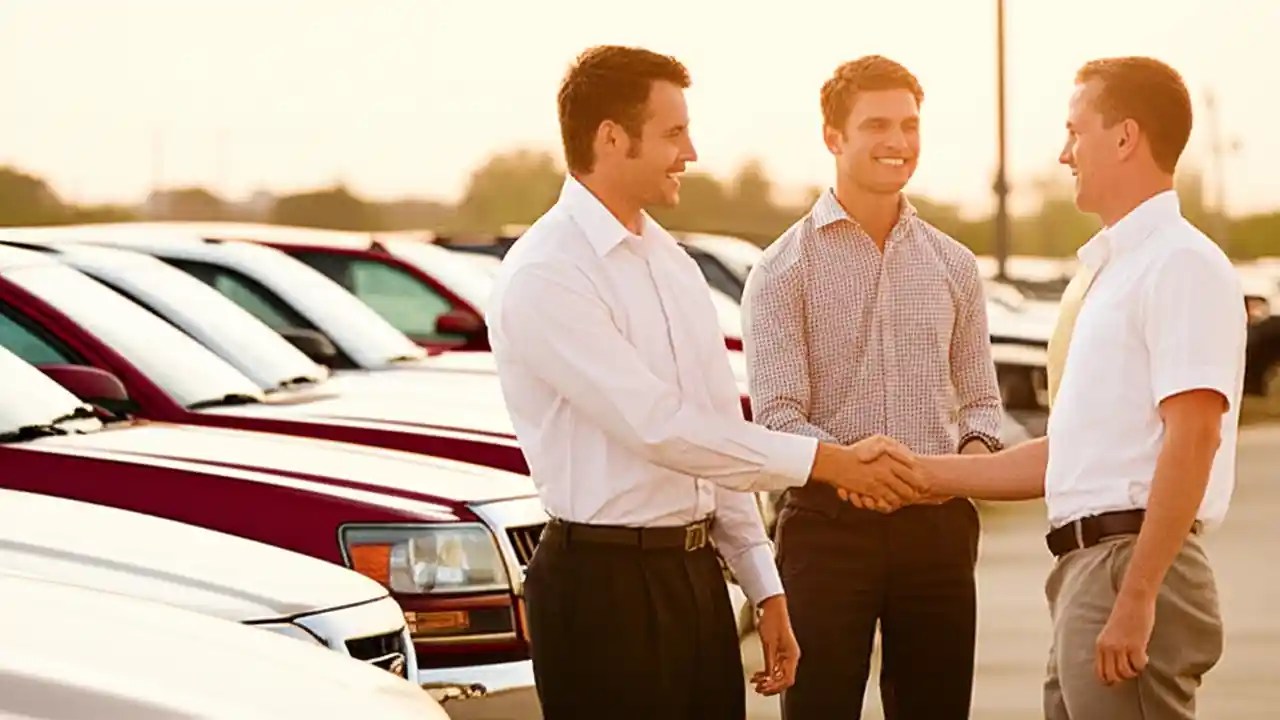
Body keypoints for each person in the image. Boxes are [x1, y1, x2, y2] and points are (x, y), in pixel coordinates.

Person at [485, 45, 928, 720]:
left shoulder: (671, 263)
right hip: (600, 589)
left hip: (693, 579)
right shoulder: (547, 273)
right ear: (611, 138)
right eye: (672, 133)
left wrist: (763, 586)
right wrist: (830, 464)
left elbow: (717, 427)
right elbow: (660, 428)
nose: (689, 151)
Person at [921, 56, 1246, 719]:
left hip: (1129, 567)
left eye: (1075, 131)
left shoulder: (1179, 265)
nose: (1064, 153)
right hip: (1087, 573)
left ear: (1125, 137)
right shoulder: (1112, 275)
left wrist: (1136, 596)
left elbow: (1195, 437)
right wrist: (917, 473)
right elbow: (1066, 454)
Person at [740, 55, 1004, 719]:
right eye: (877, 124)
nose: (899, 141)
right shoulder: (782, 269)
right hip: (826, 533)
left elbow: (980, 405)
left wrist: (960, 468)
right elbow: (777, 415)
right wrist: (854, 468)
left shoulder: (954, 265)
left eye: (910, 125)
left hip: (938, 530)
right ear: (834, 136)